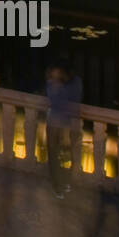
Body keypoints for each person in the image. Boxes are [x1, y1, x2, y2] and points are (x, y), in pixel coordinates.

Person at [46, 62, 82, 197]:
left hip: (63, 123)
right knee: (59, 156)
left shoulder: (66, 84)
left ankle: (62, 184)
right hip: (61, 123)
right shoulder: (55, 83)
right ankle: (61, 185)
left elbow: (62, 102)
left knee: (62, 155)